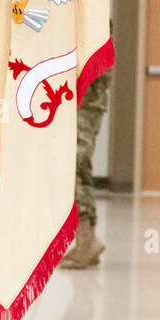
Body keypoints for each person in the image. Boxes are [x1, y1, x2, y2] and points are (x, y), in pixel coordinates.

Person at [62, 64, 110, 269]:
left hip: (85, 96)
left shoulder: (94, 30)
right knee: (79, 167)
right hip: (80, 95)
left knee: (72, 166)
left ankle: (86, 239)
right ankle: (87, 239)